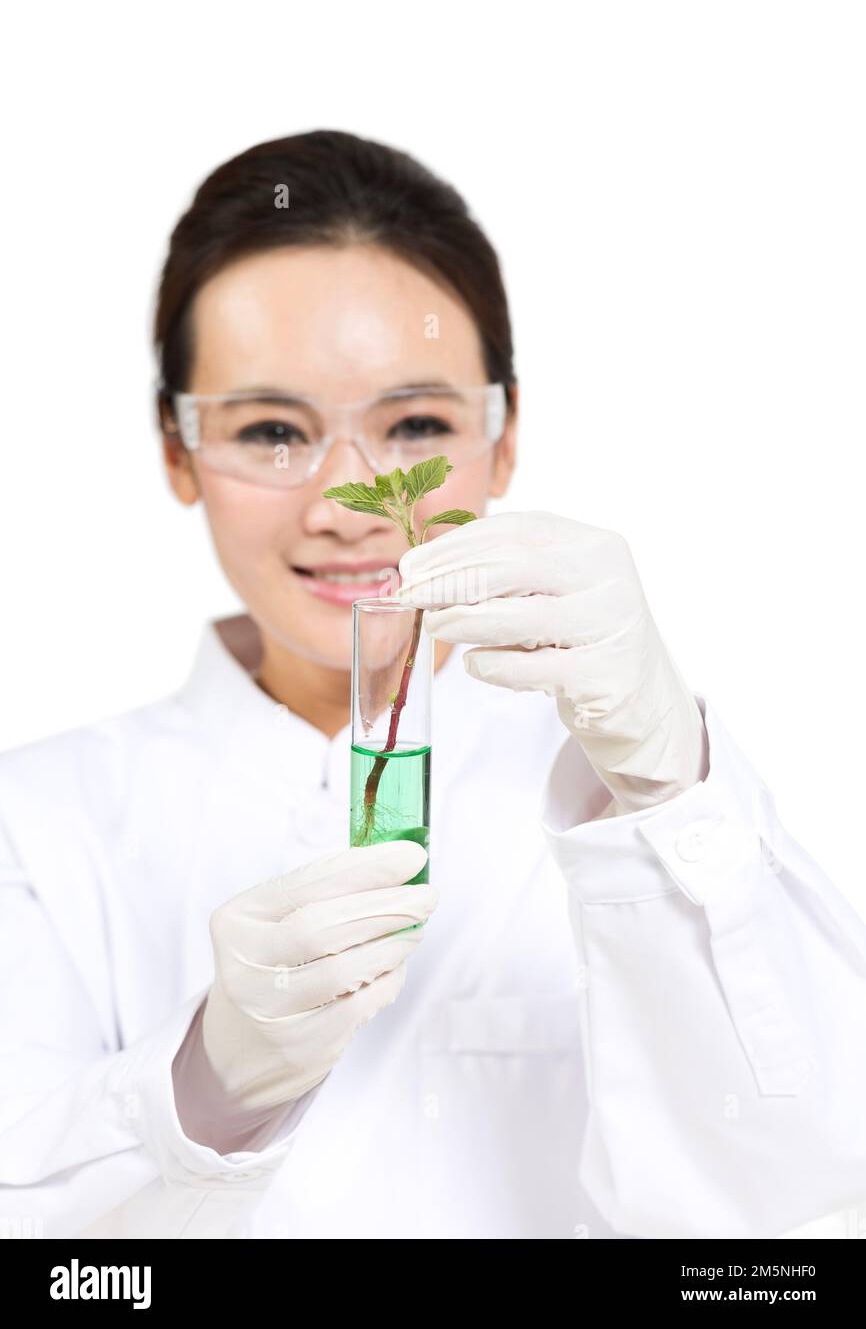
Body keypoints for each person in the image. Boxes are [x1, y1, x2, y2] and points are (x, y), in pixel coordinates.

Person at [1, 130, 865, 1241]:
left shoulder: (620, 799)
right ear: (176, 449)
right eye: (271, 429)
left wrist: (670, 803)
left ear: (502, 436)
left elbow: (790, 1221)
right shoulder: (40, 823)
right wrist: (203, 1085)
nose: (352, 502)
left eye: (415, 424)